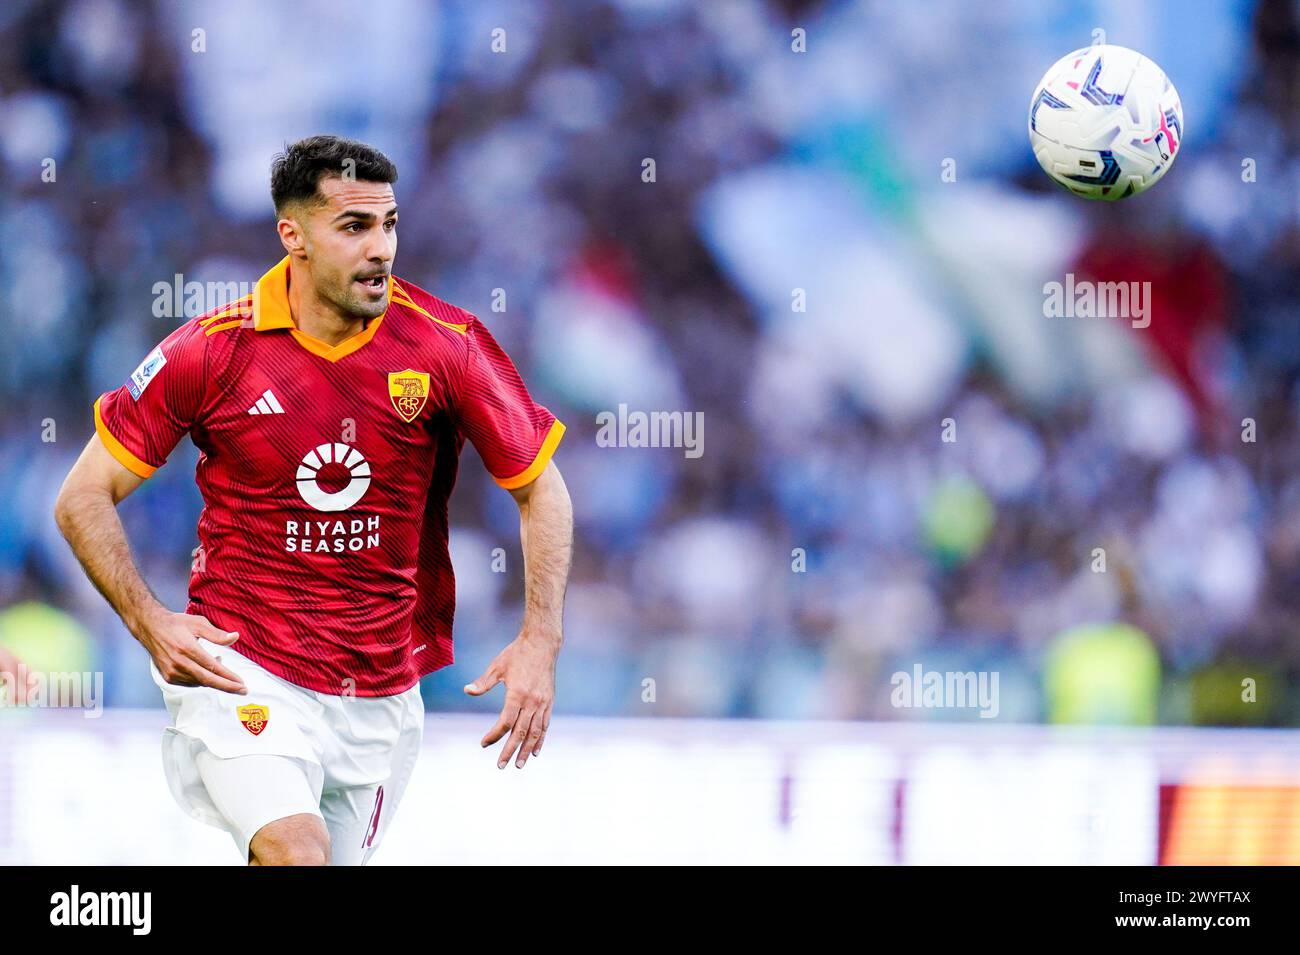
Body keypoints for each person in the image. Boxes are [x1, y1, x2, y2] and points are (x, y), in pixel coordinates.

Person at [53, 135, 573, 865]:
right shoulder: (213, 351)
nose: (382, 248)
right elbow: (82, 497)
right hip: (245, 665)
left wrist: (542, 637)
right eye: (355, 228)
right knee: (298, 852)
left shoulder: (446, 346)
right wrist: (151, 623)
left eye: (390, 224)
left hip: (381, 693)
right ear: (292, 236)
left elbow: (540, 485)